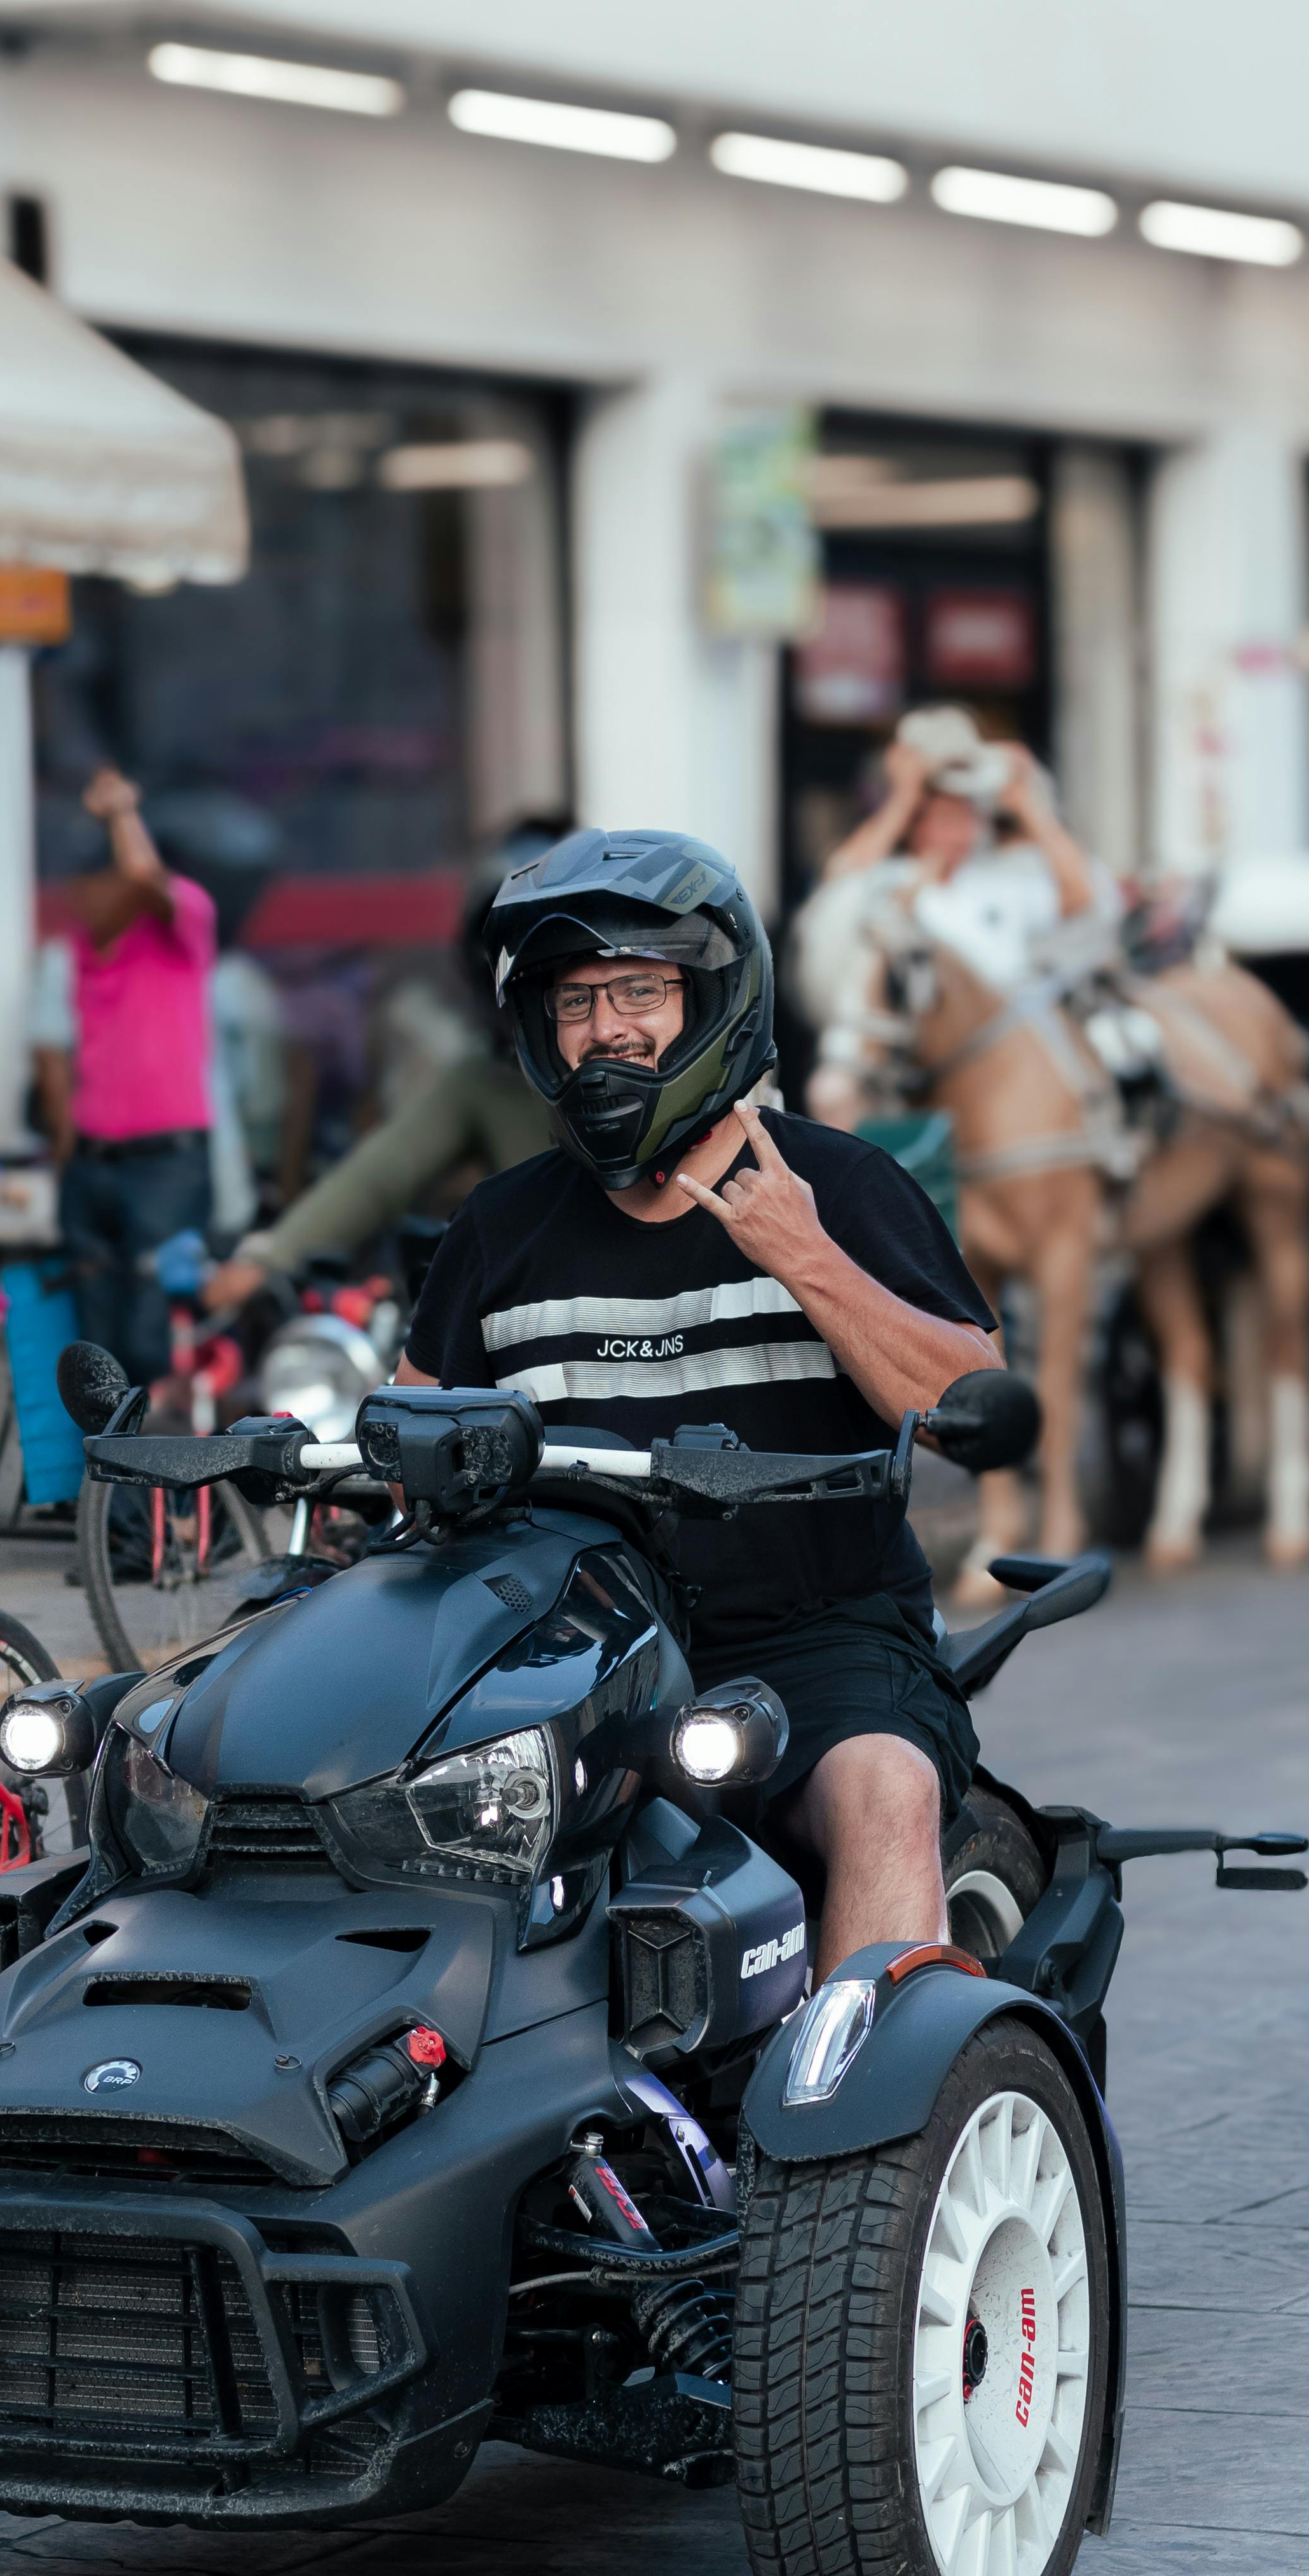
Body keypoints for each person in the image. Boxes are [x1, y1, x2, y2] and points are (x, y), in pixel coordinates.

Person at [398, 828, 1003, 1980]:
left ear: (714, 999)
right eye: (573, 1001)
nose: (606, 1028)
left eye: (640, 988)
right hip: (570, 1654)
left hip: (818, 1638)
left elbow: (967, 1400)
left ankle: (870, 2121)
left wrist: (802, 1253)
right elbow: (409, 1433)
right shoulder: (499, 1224)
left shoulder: (840, 1184)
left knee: (883, 1786)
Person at [201, 813, 572, 1310]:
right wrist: (269, 1260)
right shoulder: (489, 1081)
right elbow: (380, 1175)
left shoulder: (645, 1069)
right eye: (514, 965)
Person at [800, 709, 1114, 1127]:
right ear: (917, 826)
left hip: (1013, 1065)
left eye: (967, 818)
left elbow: (1081, 896)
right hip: (919, 1071)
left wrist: (1031, 806)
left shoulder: (1001, 881)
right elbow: (839, 882)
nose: (959, 833)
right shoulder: (897, 884)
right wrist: (904, 796)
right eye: (944, 819)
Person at [36, 767, 218, 1383]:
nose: (82, 902)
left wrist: (119, 813)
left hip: (163, 1167)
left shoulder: (180, 929)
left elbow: (145, 876)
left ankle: (156, 1476)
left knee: (153, 1338)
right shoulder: (83, 953)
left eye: (93, 886)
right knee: (94, 1349)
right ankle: (114, 1480)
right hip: (94, 1165)